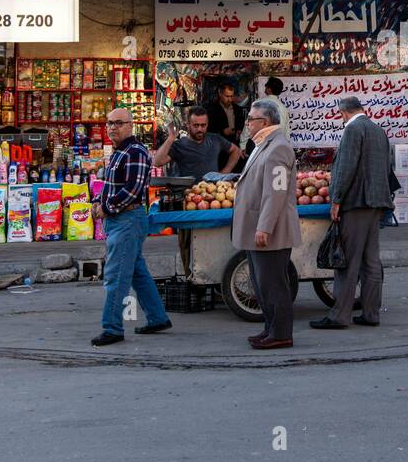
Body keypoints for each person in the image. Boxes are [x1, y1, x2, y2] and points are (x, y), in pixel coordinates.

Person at [311, 96, 393, 330]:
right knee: (371, 261)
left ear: (343, 113)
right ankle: (371, 312)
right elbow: (387, 169)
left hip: (356, 203)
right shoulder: (378, 130)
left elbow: (345, 168)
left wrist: (336, 200)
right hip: (376, 203)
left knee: (347, 261)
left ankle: (339, 316)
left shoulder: (352, 130)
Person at [91, 108, 171, 347]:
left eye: (118, 123)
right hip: (119, 219)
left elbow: (133, 190)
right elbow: (109, 186)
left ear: (130, 126)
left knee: (116, 276)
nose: (112, 127)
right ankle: (157, 318)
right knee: (137, 272)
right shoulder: (119, 152)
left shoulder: (135, 151)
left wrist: (107, 208)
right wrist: (98, 203)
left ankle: (112, 328)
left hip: (127, 220)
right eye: (109, 123)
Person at [232, 99, 301, 350]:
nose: (247, 123)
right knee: (261, 283)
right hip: (257, 226)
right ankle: (270, 328)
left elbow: (277, 192)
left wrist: (265, 227)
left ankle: (281, 333)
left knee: (273, 284)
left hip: (271, 230)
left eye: (251, 119)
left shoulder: (278, 148)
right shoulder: (263, 145)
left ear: (266, 122)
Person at [153, 105, 242, 275]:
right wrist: (171, 138)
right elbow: (157, 161)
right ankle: (191, 278)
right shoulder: (180, 145)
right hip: (189, 201)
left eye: (203, 125)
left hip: (214, 199)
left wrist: (224, 173)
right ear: (188, 125)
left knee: (215, 243)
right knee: (188, 244)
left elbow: (235, 151)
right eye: (196, 125)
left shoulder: (215, 140)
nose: (200, 129)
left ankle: (215, 278)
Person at [241, 76, 290, 153]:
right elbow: (286, 132)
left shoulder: (259, 103)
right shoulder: (283, 108)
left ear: (269, 89)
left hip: (259, 146)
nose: (265, 88)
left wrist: (242, 145)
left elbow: (249, 125)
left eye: (266, 86)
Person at [212, 83, 245, 148]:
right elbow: (209, 129)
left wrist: (239, 130)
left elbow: (241, 123)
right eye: (227, 96)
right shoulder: (212, 110)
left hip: (235, 143)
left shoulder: (238, 109)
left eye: (231, 96)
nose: (230, 99)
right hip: (219, 145)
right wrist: (222, 132)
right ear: (220, 94)